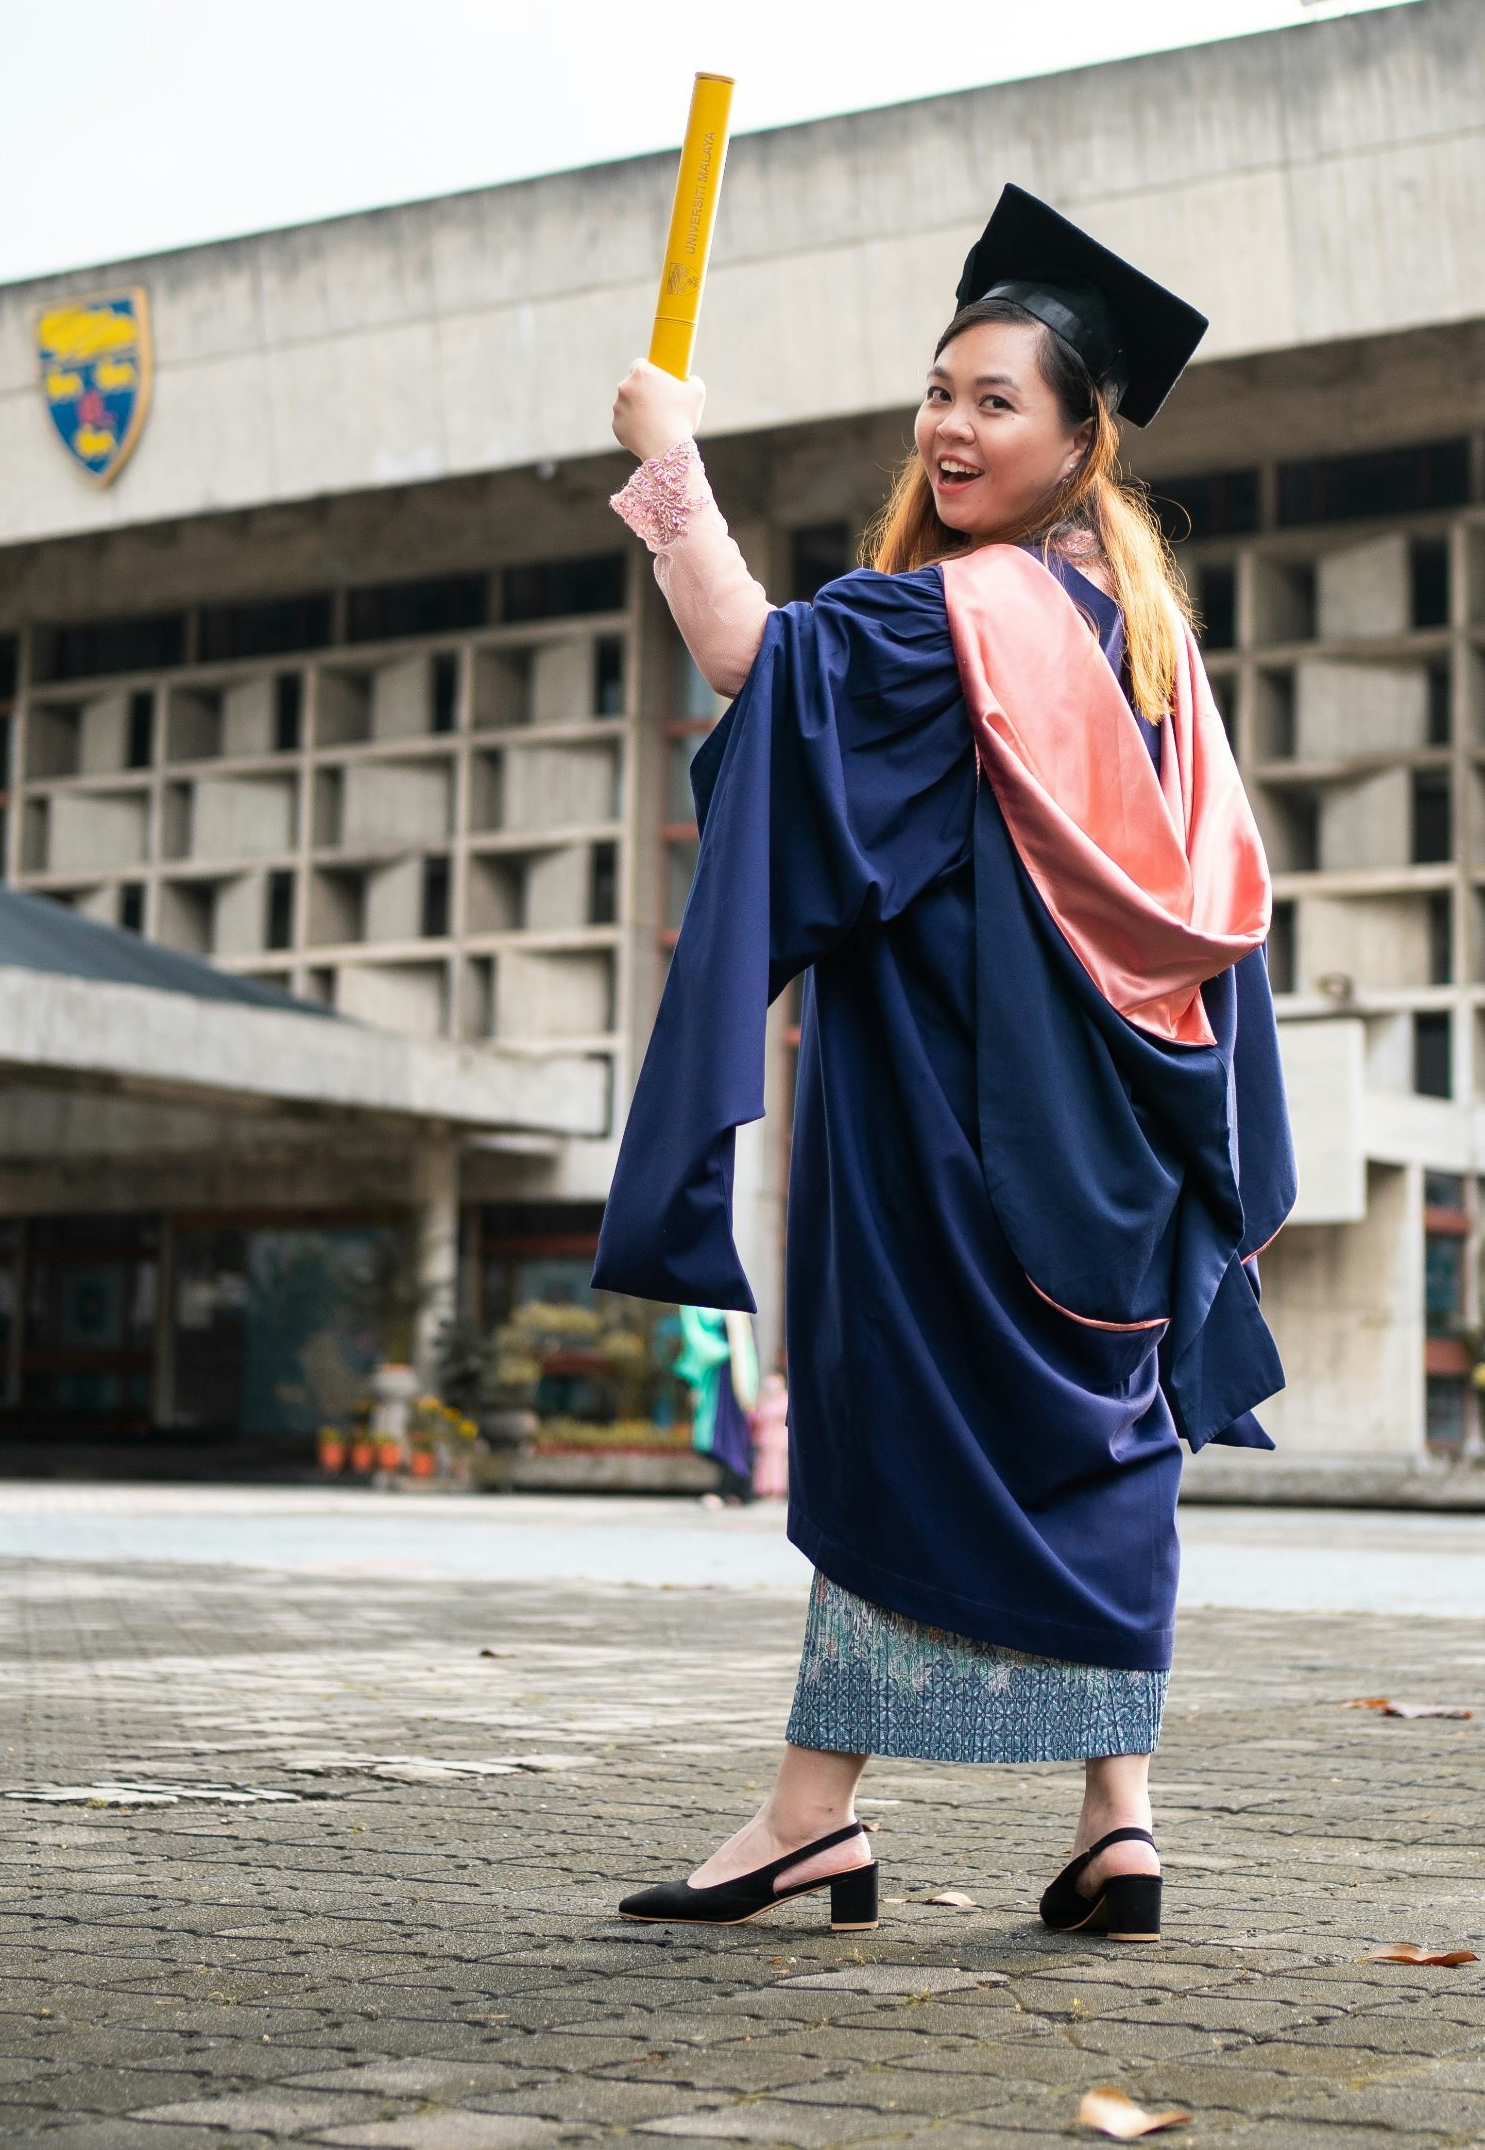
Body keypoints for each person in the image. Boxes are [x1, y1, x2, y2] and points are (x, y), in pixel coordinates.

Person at [592, 184, 1292, 1945]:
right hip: (1125, 1141)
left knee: (901, 1433)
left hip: (955, 1137)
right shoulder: (1150, 644)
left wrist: (670, 464)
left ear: (1079, 441)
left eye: (998, 401)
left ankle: (807, 1823)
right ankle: (1116, 1826)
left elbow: (756, 660)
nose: (952, 425)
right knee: (1106, 1443)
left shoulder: (961, 616)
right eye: (942, 390)